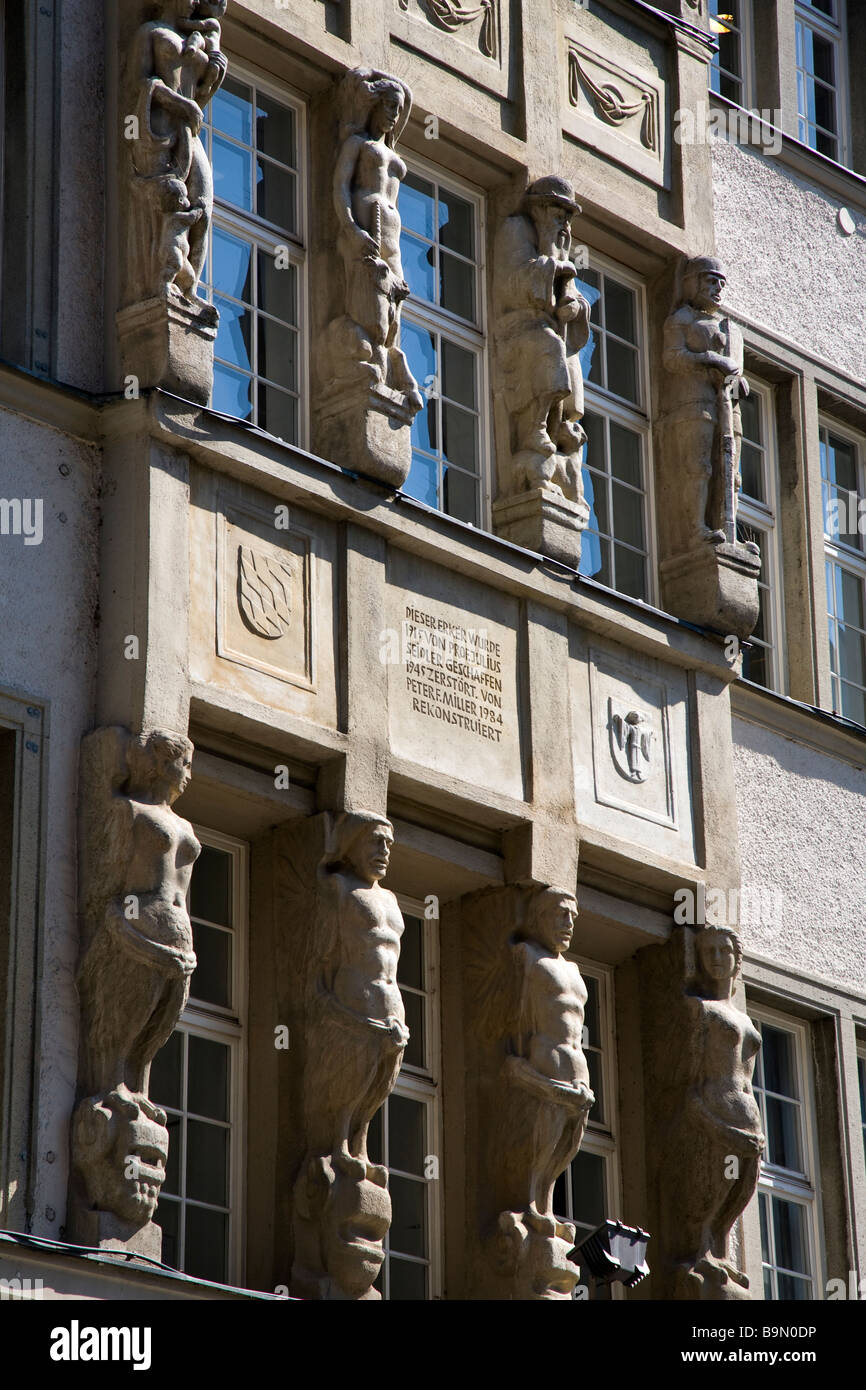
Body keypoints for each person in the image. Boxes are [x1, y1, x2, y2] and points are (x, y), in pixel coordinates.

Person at [328, 70, 422, 407]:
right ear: (373, 107)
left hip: (391, 232)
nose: (394, 116)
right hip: (366, 223)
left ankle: (390, 357)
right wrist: (351, 229)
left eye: (397, 110)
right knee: (369, 293)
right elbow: (340, 186)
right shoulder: (357, 143)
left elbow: (408, 98)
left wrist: (400, 92)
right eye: (388, 107)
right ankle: (368, 358)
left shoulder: (394, 155)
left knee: (396, 298)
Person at [494, 176, 591, 497]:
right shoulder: (515, 230)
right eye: (557, 212)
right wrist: (552, 262)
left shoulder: (564, 244)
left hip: (549, 331)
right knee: (548, 346)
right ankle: (535, 428)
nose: (563, 221)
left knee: (565, 362)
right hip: (519, 329)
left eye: (567, 215)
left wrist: (574, 305)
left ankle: (556, 427)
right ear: (540, 210)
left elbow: (573, 296)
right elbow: (513, 283)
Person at [662, 256, 757, 552]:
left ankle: (726, 528)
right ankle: (696, 529)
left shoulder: (731, 329)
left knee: (731, 473)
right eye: (710, 281)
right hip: (695, 402)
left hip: (729, 406)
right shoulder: (682, 319)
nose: (717, 288)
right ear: (694, 283)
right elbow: (672, 357)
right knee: (699, 466)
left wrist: (740, 381)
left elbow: (738, 372)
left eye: (721, 283)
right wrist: (709, 359)